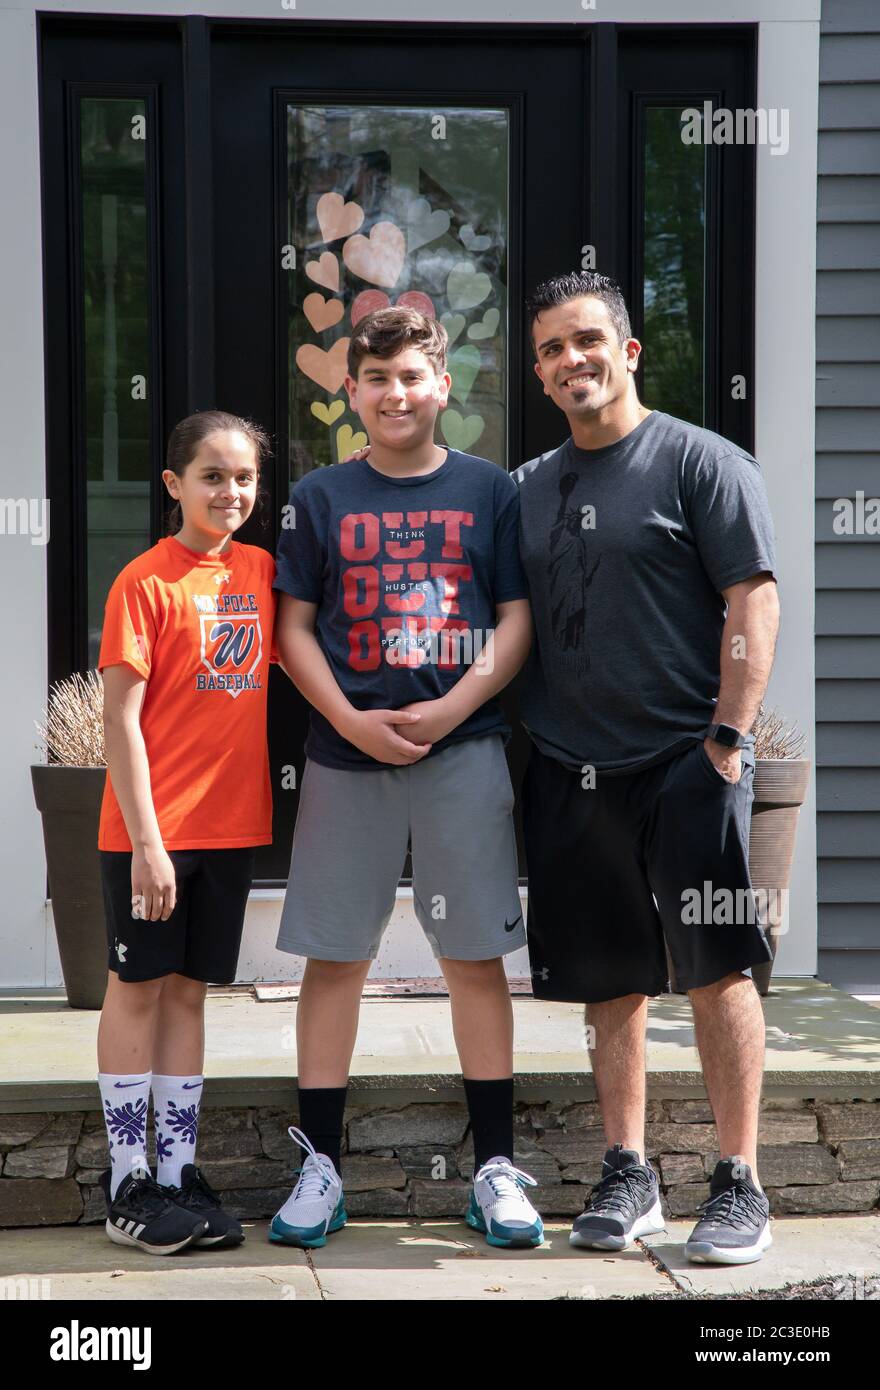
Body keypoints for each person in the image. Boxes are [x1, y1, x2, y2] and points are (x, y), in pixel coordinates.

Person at [513, 270, 780, 1265]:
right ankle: (627, 1169)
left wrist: (725, 742)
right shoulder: (527, 489)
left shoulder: (701, 463)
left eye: (586, 340)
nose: (569, 360)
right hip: (572, 769)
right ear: (539, 372)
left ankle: (737, 1179)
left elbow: (753, 603)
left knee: (717, 973)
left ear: (626, 351)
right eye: (549, 349)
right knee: (610, 983)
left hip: (685, 762)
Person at [270, 306, 542, 1250]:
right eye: (376, 379)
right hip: (347, 759)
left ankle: (496, 1170)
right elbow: (291, 627)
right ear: (351, 393)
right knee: (335, 958)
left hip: (462, 752)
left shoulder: (490, 490)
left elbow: (515, 619)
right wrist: (348, 718)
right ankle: (322, 1169)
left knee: (473, 957)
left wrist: (452, 707)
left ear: (444, 388)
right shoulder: (319, 495)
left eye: (411, 378)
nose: (394, 394)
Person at [95, 411, 279, 1255]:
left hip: (233, 827)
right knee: (137, 987)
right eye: (212, 476)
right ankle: (126, 1181)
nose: (230, 492)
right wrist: (148, 841)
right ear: (173, 485)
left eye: (244, 478)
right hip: (151, 833)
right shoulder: (143, 581)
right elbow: (120, 724)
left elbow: (306, 657)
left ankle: (176, 1172)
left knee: (192, 991)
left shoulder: (262, 573)